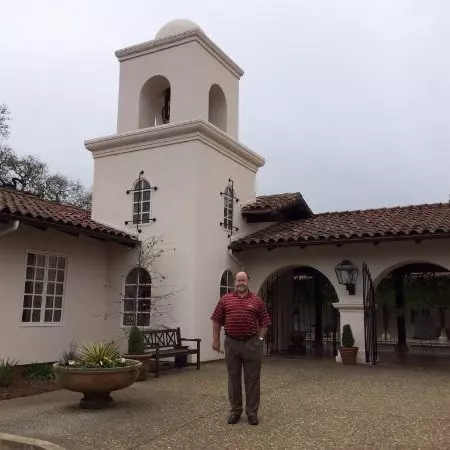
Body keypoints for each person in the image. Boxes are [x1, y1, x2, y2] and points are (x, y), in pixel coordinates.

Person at [210, 271, 271, 426]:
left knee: (253, 380)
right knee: (233, 378)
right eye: (238, 280)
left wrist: (261, 339)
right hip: (231, 344)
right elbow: (216, 320)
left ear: (247, 281)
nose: (240, 283)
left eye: (243, 280)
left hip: (252, 344)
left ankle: (252, 413)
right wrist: (215, 340)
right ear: (234, 283)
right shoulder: (225, 300)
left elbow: (265, 322)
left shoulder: (257, 300)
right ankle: (235, 411)